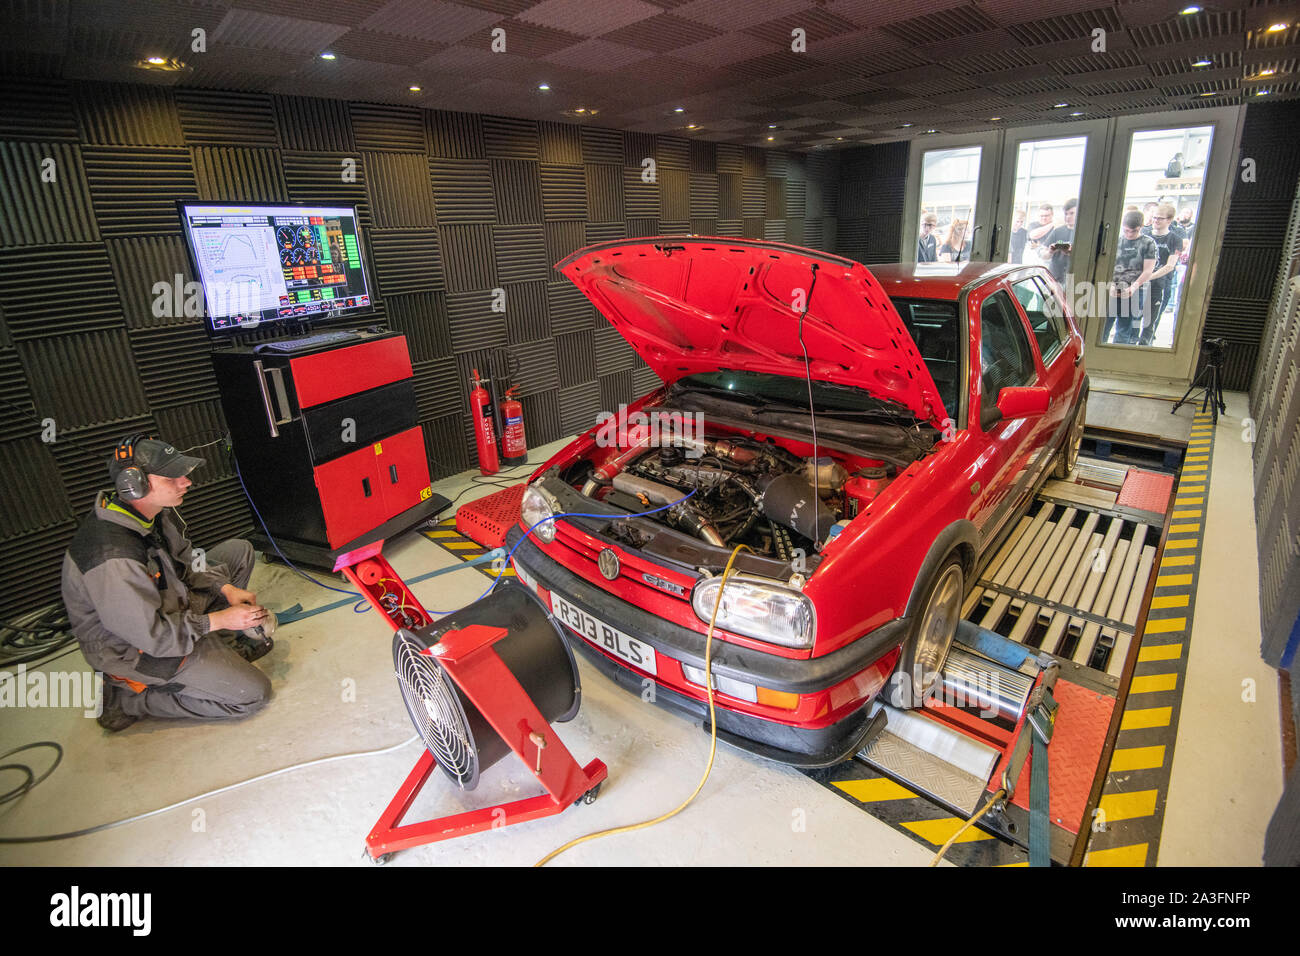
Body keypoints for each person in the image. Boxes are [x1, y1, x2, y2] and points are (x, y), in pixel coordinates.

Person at [61, 435, 274, 731]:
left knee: (239, 551)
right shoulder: (113, 559)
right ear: (133, 486)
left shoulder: (149, 514)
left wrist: (226, 589)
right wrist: (219, 619)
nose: (185, 481)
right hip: (134, 650)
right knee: (252, 695)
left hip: (170, 607)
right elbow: (153, 638)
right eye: (173, 477)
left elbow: (187, 563)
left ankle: (222, 650)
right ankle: (126, 700)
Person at [1104, 210, 1157, 345]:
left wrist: (1134, 287)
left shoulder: (1148, 243)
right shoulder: (1116, 241)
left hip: (1135, 288)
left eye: (1133, 231)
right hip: (1113, 286)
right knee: (1103, 325)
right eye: (1126, 230)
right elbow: (1105, 265)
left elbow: (1148, 271)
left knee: (1124, 327)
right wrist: (1109, 285)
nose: (1129, 234)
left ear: (1141, 227)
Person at [1139, 203, 1184, 345]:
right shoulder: (1143, 233)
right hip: (1138, 283)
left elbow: (1170, 265)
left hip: (1159, 284)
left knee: (1150, 322)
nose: (1156, 220)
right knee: (1132, 320)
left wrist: (1149, 277)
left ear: (1169, 220)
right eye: (1154, 217)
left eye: (1160, 218)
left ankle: (1145, 345)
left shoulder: (1175, 239)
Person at [1041, 197, 1076, 285]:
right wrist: (1050, 251)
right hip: (1054, 278)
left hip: (1074, 279)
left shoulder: (1084, 234)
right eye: (1066, 214)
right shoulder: (1058, 231)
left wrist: (1071, 253)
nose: (1068, 217)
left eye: (1072, 213)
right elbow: (1043, 255)